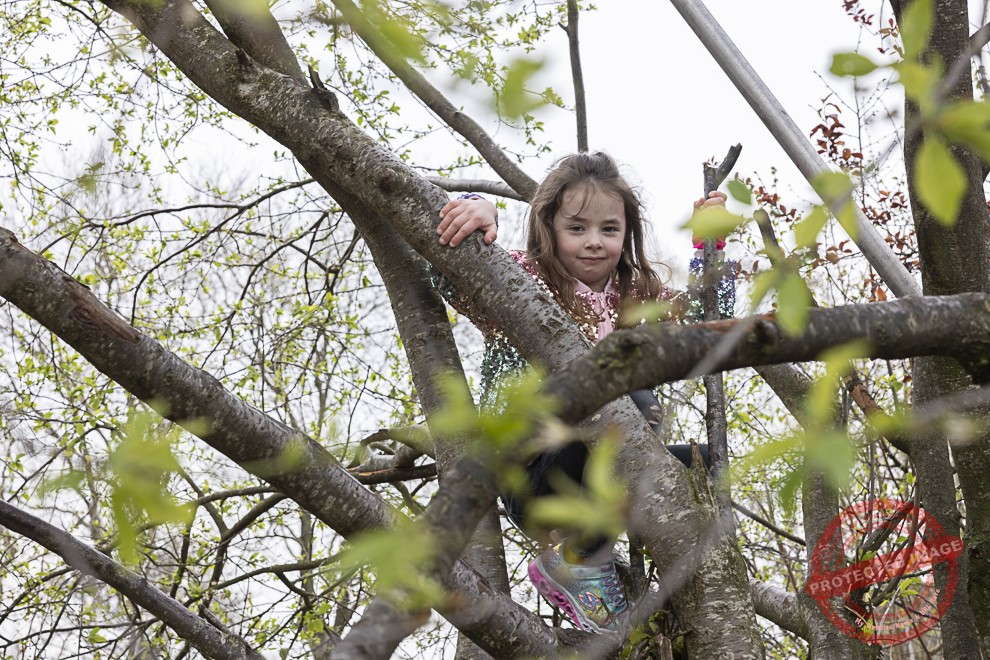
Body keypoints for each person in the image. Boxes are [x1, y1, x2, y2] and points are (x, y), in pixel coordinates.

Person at [433, 152, 732, 634]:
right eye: (577, 229)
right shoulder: (520, 280)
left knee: (702, 461)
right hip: (533, 469)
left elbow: (705, 322)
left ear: (626, 234)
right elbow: (448, 274)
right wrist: (475, 211)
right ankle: (579, 559)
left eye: (608, 230)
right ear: (548, 228)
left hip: (609, 467)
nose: (594, 242)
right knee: (632, 404)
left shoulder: (638, 299)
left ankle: (671, 575)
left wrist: (709, 245)